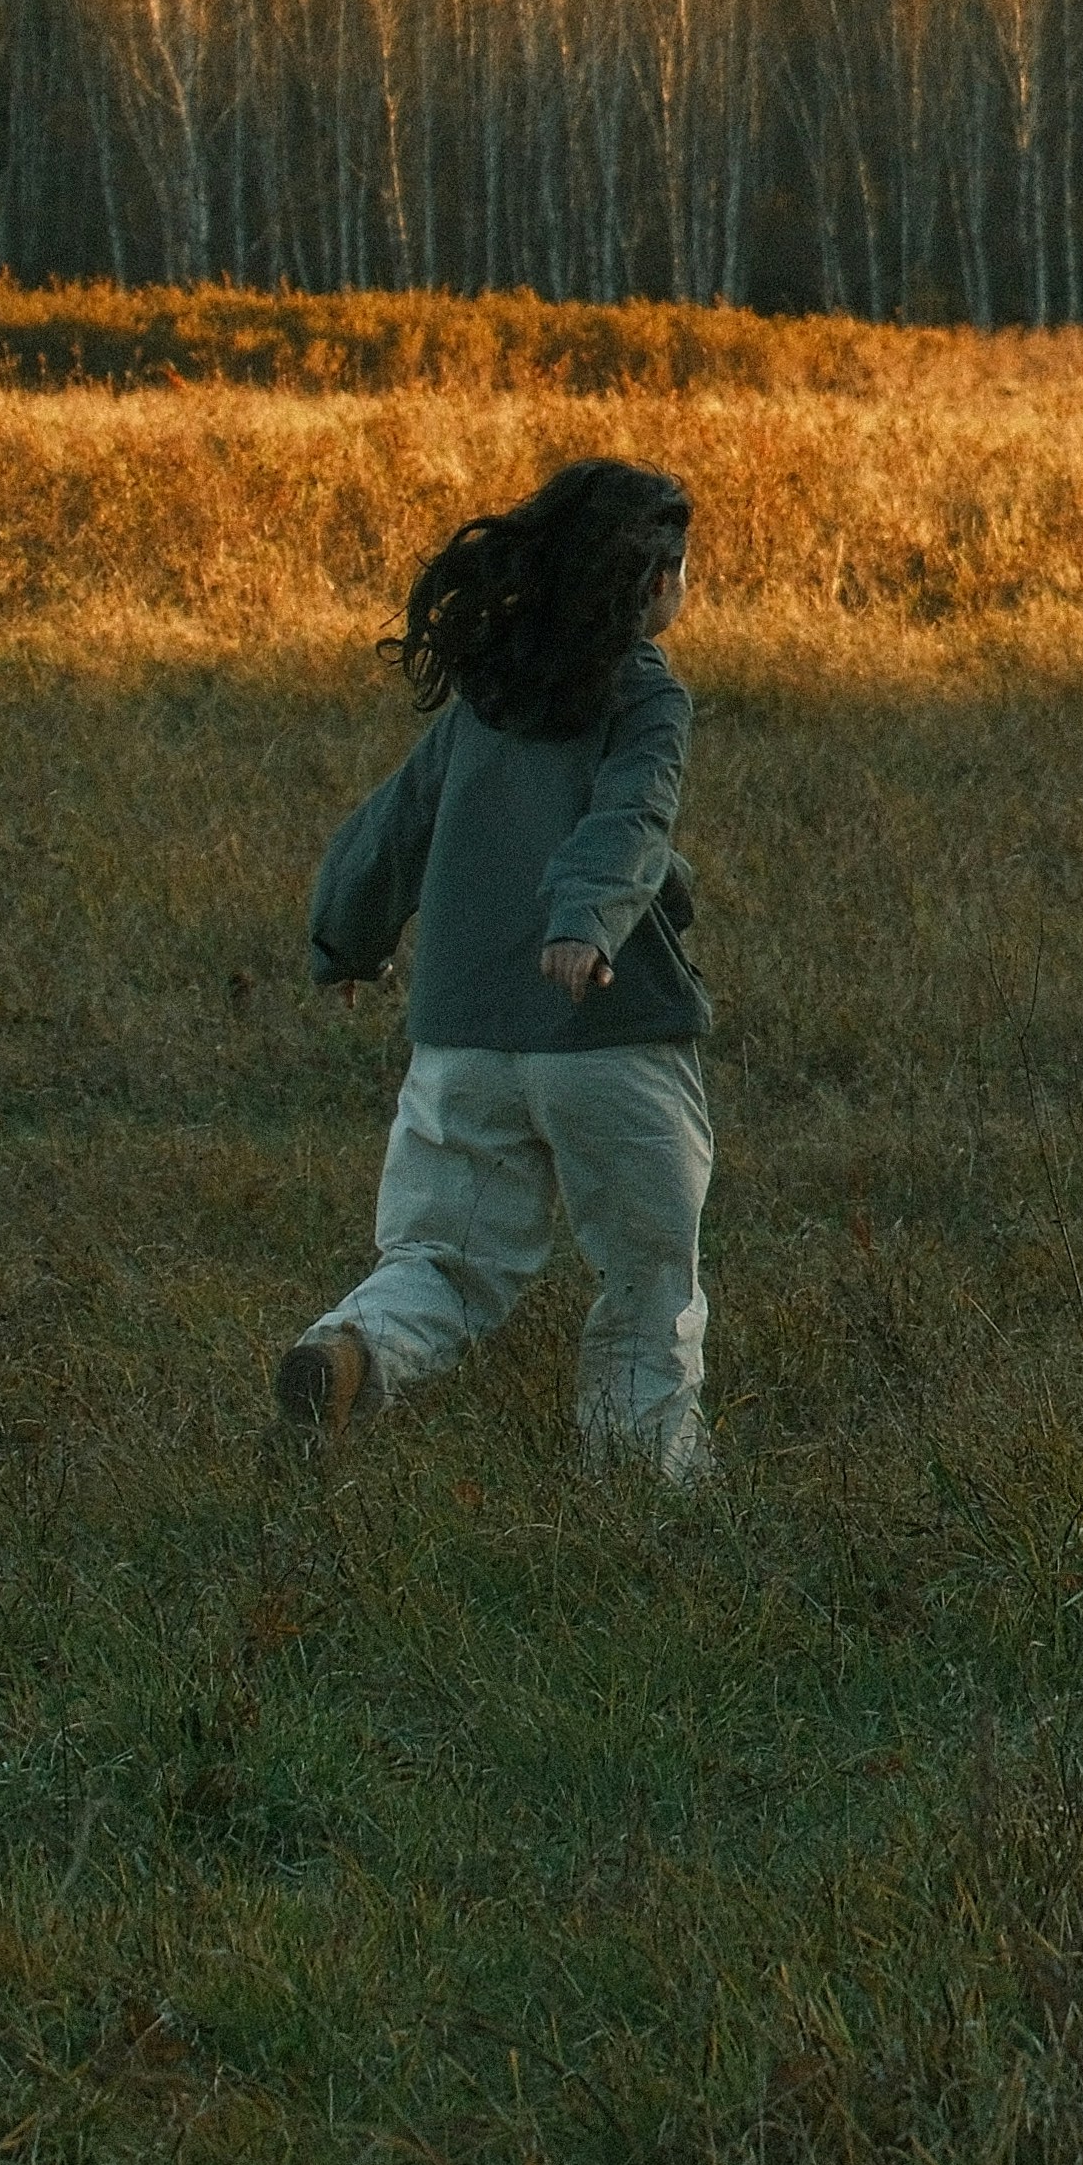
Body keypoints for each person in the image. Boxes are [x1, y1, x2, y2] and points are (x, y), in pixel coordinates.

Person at [275, 454, 720, 1478]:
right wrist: (583, 925)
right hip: (608, 1032)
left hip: (460, 1038)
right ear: (649, 579)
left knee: (439, 1258)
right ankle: (643, 1479)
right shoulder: (647, 693)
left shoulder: (486, 696)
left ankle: (350, 1354)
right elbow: (632, 818)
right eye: (683, 567)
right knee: (649, 1272)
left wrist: (346, 938)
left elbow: (395, 823)